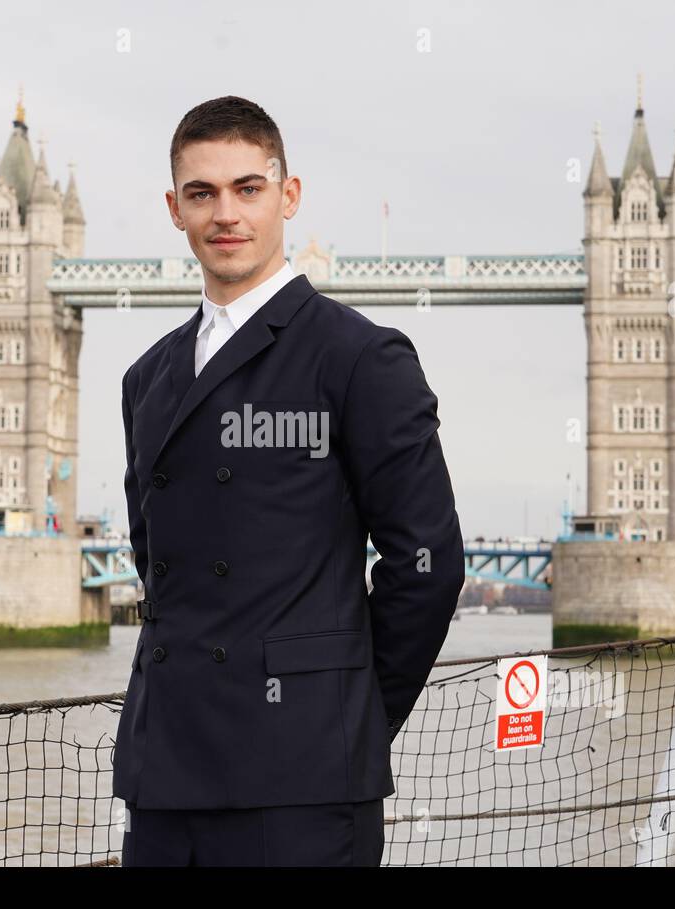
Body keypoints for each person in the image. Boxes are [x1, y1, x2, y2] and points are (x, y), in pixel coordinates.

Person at [112, 95, 464, 866]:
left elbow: (427, 568)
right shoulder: (148, 378)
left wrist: (345, 715)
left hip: (301, 784)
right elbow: (156, 569)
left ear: (289, 195)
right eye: (202, 193)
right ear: (174, 209)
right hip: (165, 776)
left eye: (249, 188)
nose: (226, 214)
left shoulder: (359, 358)